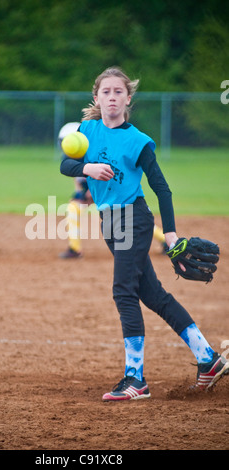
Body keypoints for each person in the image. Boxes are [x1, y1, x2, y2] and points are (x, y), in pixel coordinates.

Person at [60, 66, 229, 401]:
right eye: (105, 91)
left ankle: (135, 378)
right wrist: (86, 167)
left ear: (128, 99)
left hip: (133, 220)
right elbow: (65, 165)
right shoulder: (87, 130)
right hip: (110, 222)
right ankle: (208, 359)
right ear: (96, 97)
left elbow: (162, 189)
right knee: (152, 295)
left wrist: (170, 236)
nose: (111, 97)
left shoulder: (138, 142)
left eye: (118, 92)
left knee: (123, 291)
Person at [58, 123, 167, 259]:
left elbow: (108, 177)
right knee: (73, 208)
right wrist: (80, 195)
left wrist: (90, 194)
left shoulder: (94, 152)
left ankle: (165, 240)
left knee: (131, 220)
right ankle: (74, 249)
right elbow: (79, 183)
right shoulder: (73, 158)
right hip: (93, 193)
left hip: (110, 193)